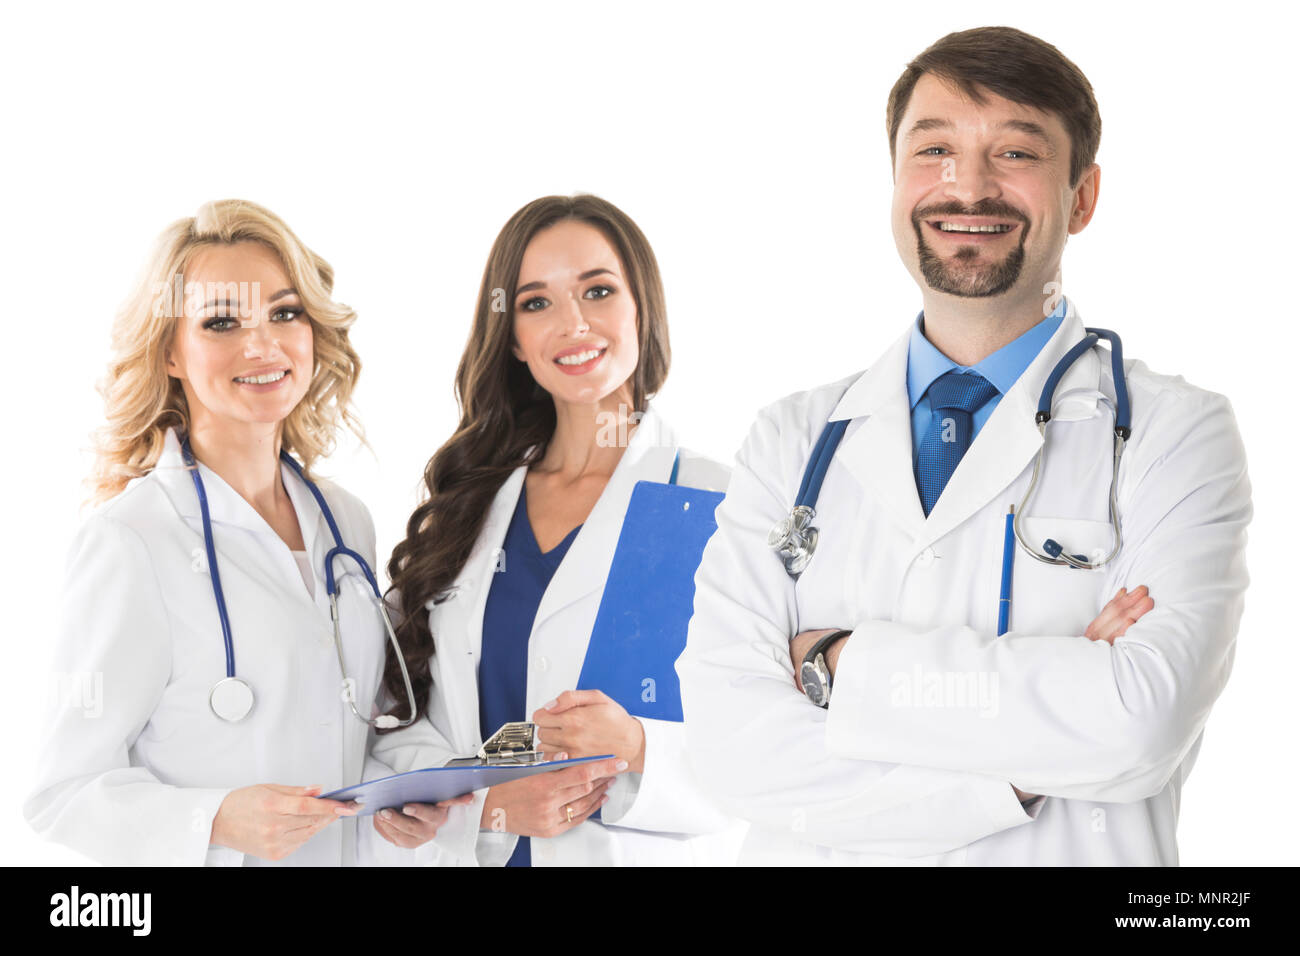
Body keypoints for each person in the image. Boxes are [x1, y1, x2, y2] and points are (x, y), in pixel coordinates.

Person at [676, 26, 1251, 866]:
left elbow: (1138, 720)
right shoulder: (792, 438)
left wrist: (839, 666)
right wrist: (1016, 775)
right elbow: (729, 752)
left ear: (1082, 197)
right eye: (934, 149)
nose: (967, 186)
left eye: (1016, 152)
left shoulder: (1176, 434)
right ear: (896, 180)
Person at [24, 199, 467, 866]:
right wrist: (215, 820)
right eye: (222, 321)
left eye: (285, 313)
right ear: (171, 352)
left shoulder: (344, 520)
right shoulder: (132, 539)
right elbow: (61, 792)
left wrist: (402, 795)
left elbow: (343, 732)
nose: (262, 345)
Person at [371, 194, 746, 866]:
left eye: (597, 291)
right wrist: (488, 802)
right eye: (536, 302)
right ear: (512, 338)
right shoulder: (468, 508)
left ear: (642, 310)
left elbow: (772, 743)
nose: (573, 323)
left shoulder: (719, 503)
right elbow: (397, 721)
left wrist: (637, 747)